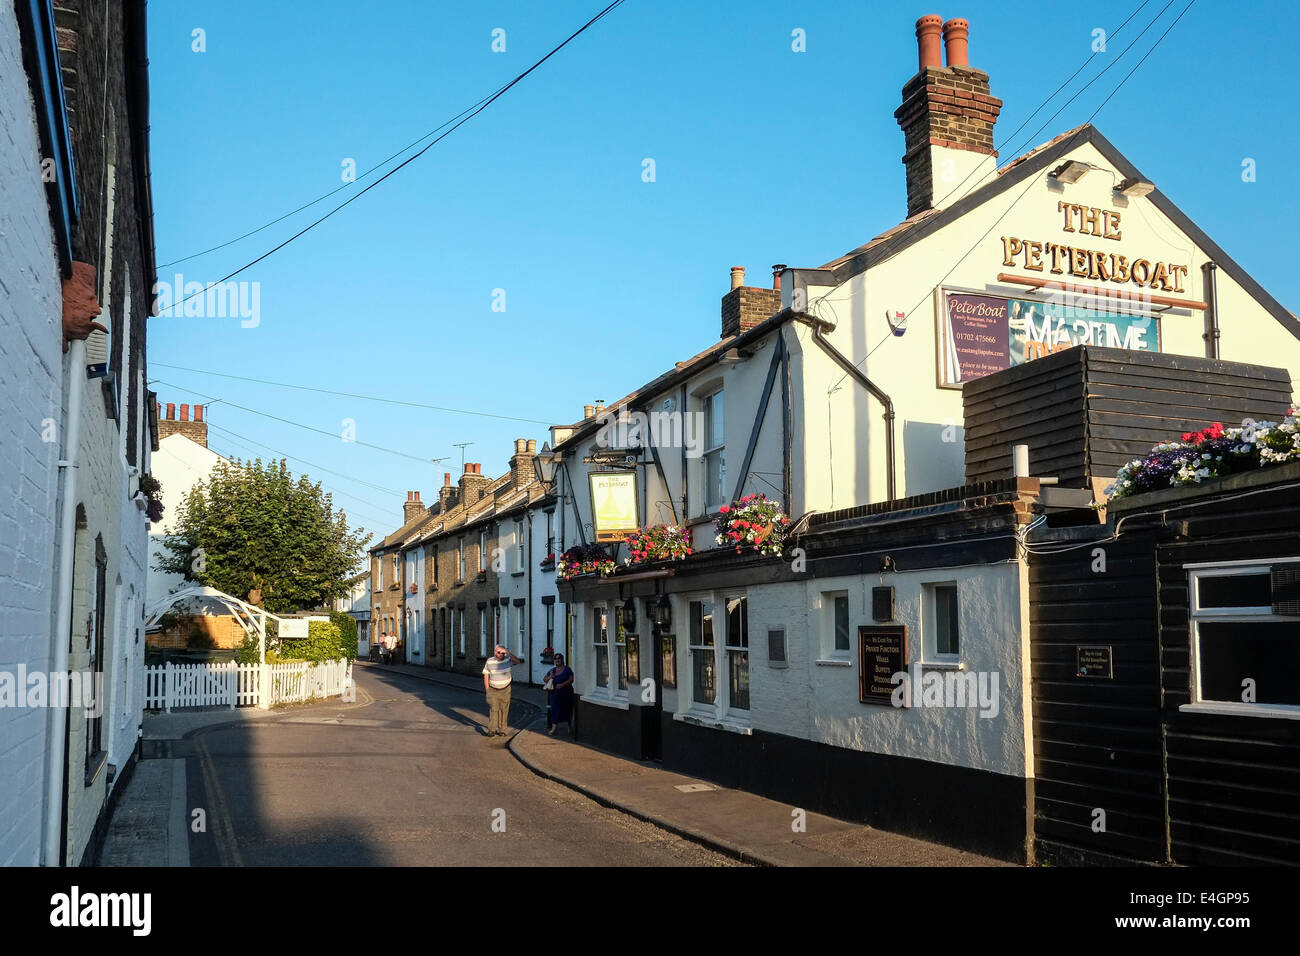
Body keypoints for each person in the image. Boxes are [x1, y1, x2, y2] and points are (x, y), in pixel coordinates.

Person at [482, 644, 523, 737]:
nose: (500, 654)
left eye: (501, 652)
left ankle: (502, 730)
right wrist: (487, 690)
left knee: (504, 710)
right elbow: (486, 675)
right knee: (494, 709)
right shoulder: (490, 661)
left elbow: (518, 661)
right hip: (493, 689)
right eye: (498, 652)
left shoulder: (508, 660)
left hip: (506, 689)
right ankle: (492, 729)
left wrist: (508, 652)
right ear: (494, 652)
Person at [543, 653, 575, 737]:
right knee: (554, 710)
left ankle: (569, 726)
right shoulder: (552, 670)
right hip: (554, 694)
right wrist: (551, 677)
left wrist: (562, 685)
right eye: (555, 658)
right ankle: (554, 728)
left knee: (567, 709)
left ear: (562, 660)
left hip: (566, 693)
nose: (557, 660)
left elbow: (571, 679)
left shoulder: (567, 669)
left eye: (559, 658)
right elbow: (545, 679)